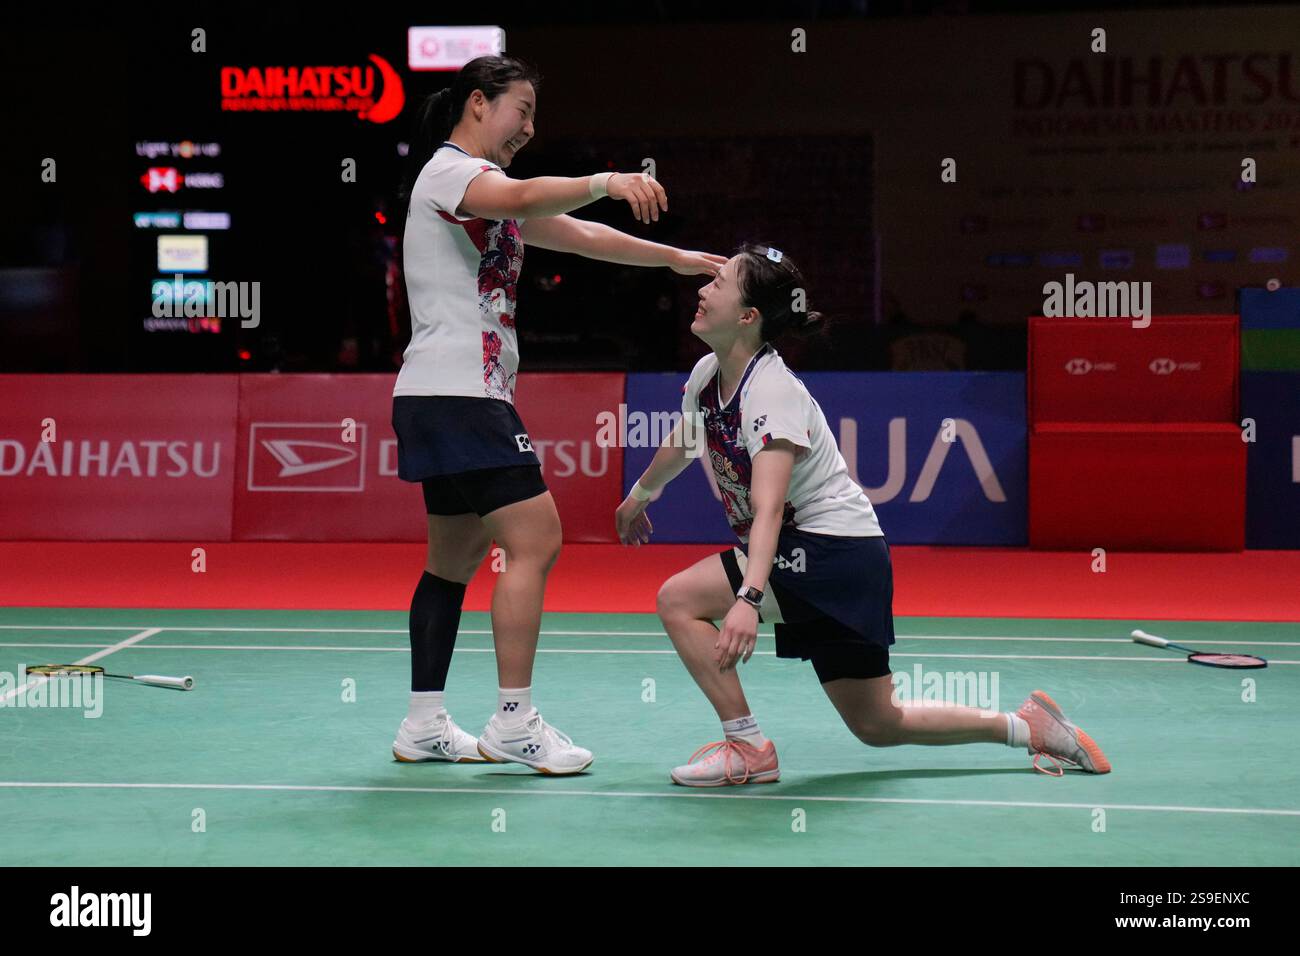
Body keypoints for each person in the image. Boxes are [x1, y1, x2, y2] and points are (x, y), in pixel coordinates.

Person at [615, 242, 1111, 786]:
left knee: (678, 599)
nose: (703, 289)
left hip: (827, 549)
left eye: (720, 282)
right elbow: (687, 439)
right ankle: (1028, 729)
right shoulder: (711, 373)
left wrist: (747, 599)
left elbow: (770, 507)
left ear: (748, 316)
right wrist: (641, 494)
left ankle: (748, 747)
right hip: (837, 553)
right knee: (877, 722)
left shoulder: (771, 391)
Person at [391, 55, 725, 775]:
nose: (530, 128)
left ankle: (423, 722)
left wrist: (675, 259)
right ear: (477, 103)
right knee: (536, 535)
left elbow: (579, 235)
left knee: (451, 559)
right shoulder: (452, 173)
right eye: (522, 110)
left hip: (441, 393)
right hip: (459, 392)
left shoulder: (490, 198)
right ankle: (513, 721)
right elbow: (532, 197)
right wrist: (608, 180)